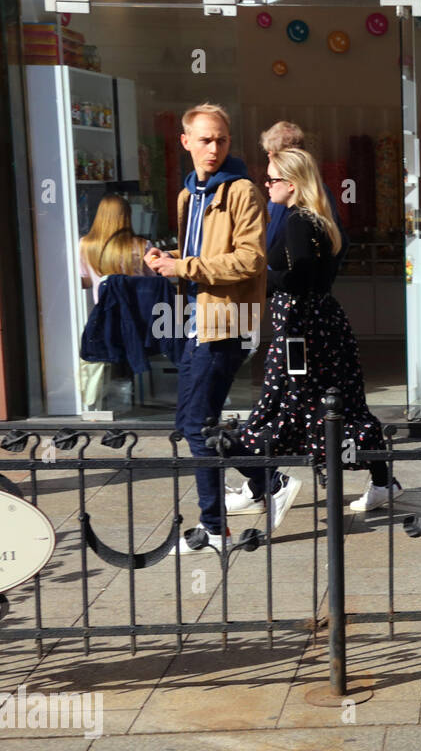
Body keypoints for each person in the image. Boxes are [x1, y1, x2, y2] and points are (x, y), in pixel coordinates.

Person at [222, 147, 400, 514]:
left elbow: (300, 278)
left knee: (284, 405)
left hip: (302, 329)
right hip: (319, 324)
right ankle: (379, 481)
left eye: (271, 179)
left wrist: (258, 278)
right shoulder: (318, 218)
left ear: (291, 183)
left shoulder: (297, 222)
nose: (266, 185)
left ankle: (264, 482)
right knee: (338, 406)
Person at [144, 103, 269, 556]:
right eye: (204, 139)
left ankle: (214, 528)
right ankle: (267, 479)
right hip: (195, 319)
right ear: (186, 142)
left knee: (197, 425)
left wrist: (187, 264)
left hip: (228, 321)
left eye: (221, 139)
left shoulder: (242, 192)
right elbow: (197, 253)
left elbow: (252, 260)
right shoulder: (188, 195)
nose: (213, 148)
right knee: (193, 422)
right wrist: (168, 260)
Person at [78, 194, 151, 409]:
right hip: (137, 318)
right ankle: (135, 400)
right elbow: (153, 281)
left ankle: (100, 405)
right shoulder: (141, 245)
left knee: (103, 359)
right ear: (126, 217)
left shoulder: (85, 245)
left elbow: (83, 282)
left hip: (104, 317)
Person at [258, 121, 349, 285]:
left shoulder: (293, 211)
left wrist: (263, 279)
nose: (267, 184)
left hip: (290, 296)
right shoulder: (319, 194)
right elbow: (339, 243)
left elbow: (270, 249)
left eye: (270, 153)